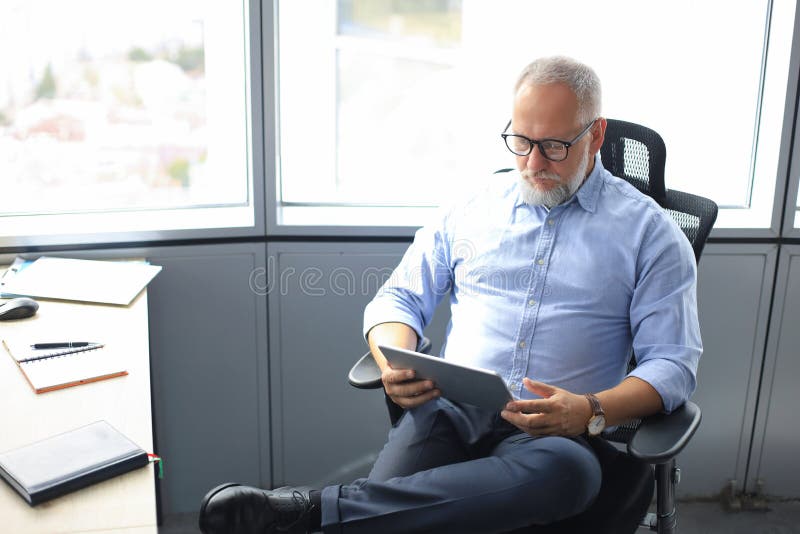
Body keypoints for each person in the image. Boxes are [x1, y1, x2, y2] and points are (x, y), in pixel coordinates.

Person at [198, 55, 701, 534]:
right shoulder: (472, 207)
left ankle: (307, 512)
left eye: (554, 146)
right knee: (395, 513)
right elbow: (397, 300)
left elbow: (672, 365)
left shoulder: (651, 235)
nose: (532, 162)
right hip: (451, 411)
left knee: (568, 477)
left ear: (596, 135)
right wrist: (392, 359)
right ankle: (320, 515)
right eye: (521, 141)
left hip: (555, 437)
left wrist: (591, 409)